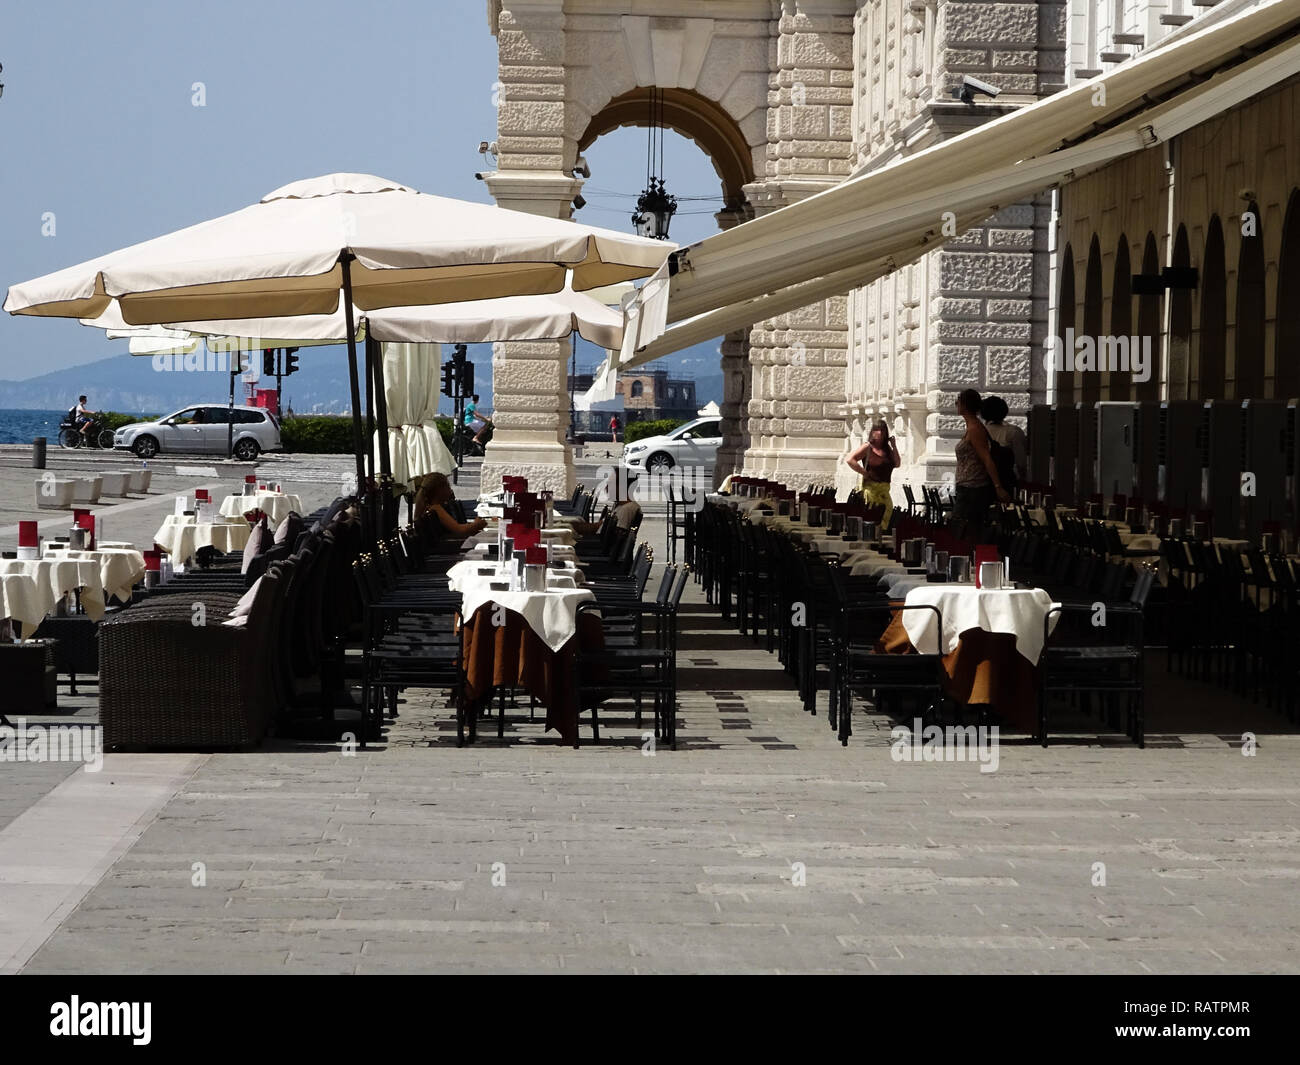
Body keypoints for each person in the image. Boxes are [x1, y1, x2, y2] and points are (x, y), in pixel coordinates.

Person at [953, 388, 1011, 534]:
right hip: (967, 488)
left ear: (965, 405)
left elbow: (986, 458)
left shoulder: (975, 429)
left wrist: (998, 486)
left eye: (958, 401)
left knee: (965, 530)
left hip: (973, 489)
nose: (955, 404)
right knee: (961, 529)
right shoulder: (971, 428)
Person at [844, 420, 900, 529]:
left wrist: (894, 446)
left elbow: (897, 463)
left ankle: (881, 538)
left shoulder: (887, 449)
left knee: (886, 518)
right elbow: (850, 459)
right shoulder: (868, 447)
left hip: (884, 491)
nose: (879, 433)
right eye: (876, 430)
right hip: (870, 491)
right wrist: (863, 472)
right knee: (872, 520)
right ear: (872, 432)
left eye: (882, 430)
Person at [412, 472, 486, 549]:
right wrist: (477, 524)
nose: (450, 489)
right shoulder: (435, 509)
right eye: (448, 486)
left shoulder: (432, 507)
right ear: (440, 490)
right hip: (444, 549)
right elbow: (459, 530)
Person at [980, 395, 1027, 488]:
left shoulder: (978, 432)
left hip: (981, 482)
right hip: (1006, 482)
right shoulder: (1014, 432)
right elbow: (1021, 463)